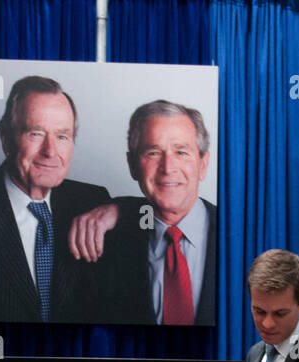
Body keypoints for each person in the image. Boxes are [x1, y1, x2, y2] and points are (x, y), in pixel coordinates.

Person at [69, 100, 217, 326]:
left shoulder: (240, 235)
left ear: (203, 164)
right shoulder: (106, 245)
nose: (168, 168)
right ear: (132, 165)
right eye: (153, 152)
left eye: (181, 152)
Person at [0, 76, 110, 323]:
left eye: (62, 136)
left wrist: (117, 211)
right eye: (36, 133)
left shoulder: (93, 201)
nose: (50, 151)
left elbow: (155, 216)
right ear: (6, 139)